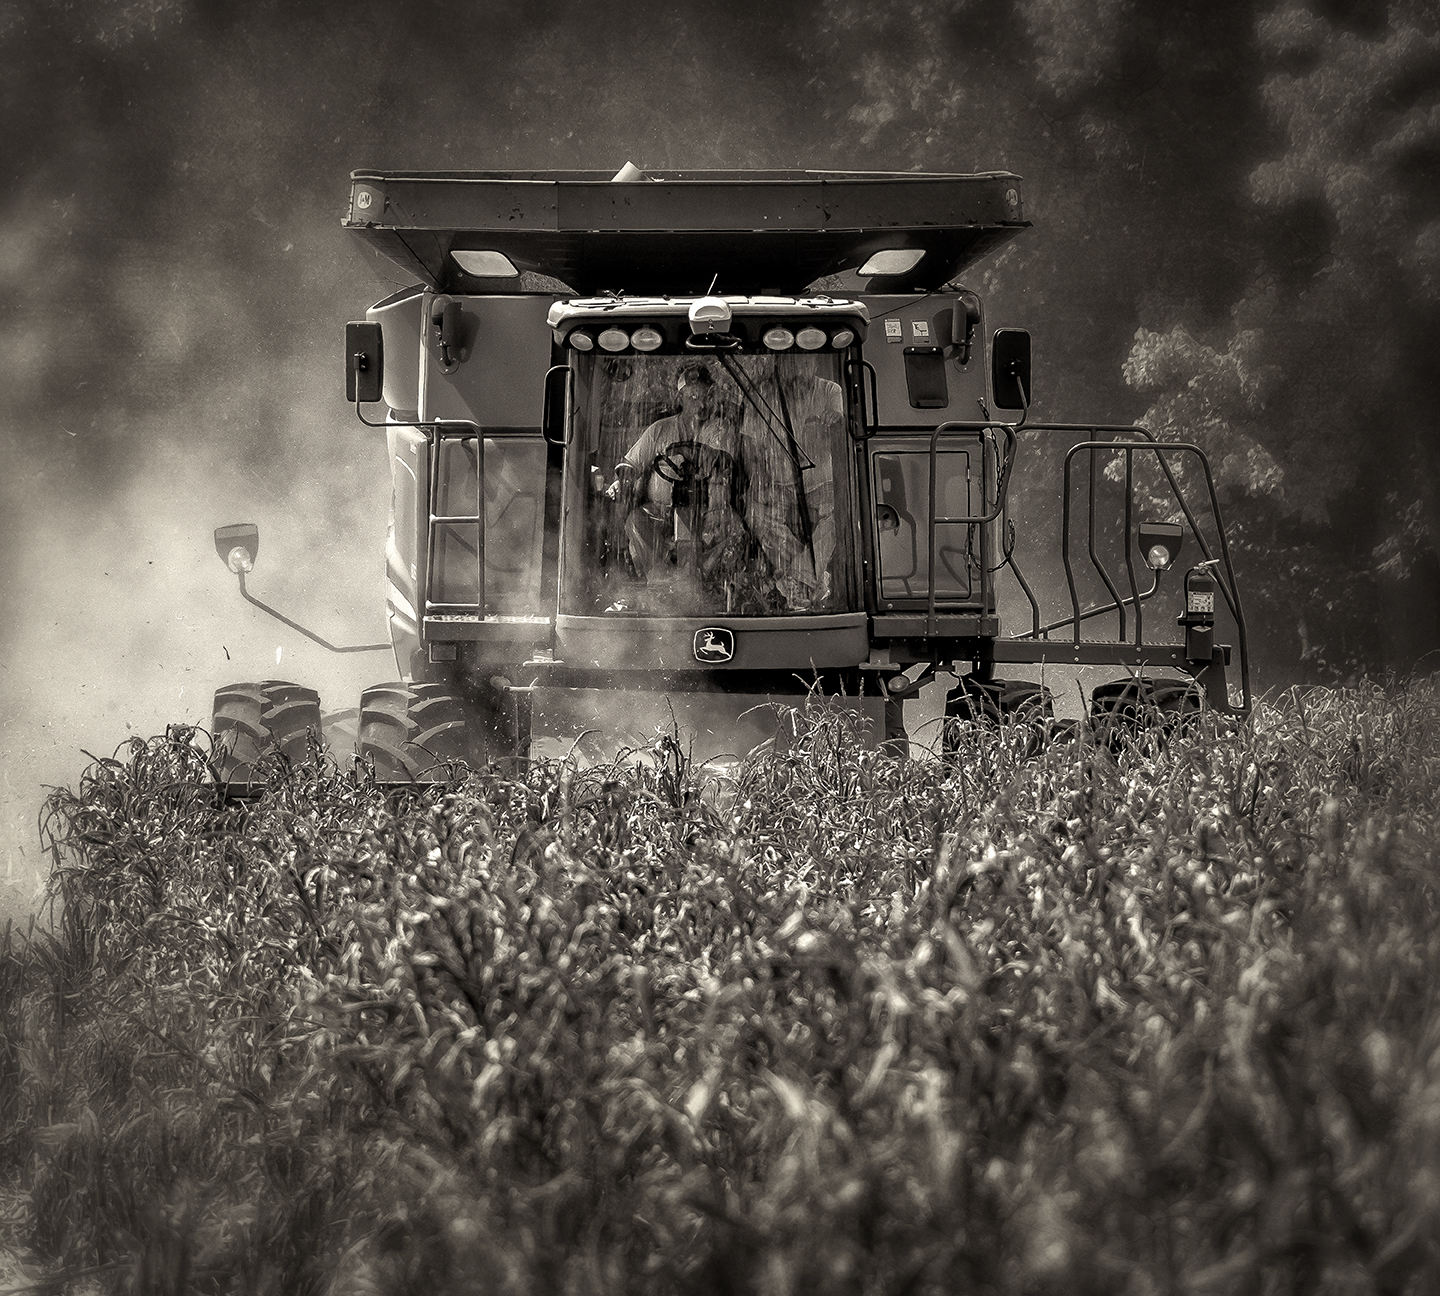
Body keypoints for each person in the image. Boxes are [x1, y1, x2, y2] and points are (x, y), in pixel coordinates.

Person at [608, 362, 748, 602]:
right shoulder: (659, 430)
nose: (701, 403)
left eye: (705, 396)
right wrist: (622, 482)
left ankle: (704, 582)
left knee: (736, 529)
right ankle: (660, 581)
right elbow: (631, 464)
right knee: (636, 519)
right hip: (661, 514)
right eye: (693, 396)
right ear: (680, 397)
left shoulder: (722, 431)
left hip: (708, 513)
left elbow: (729, 467)